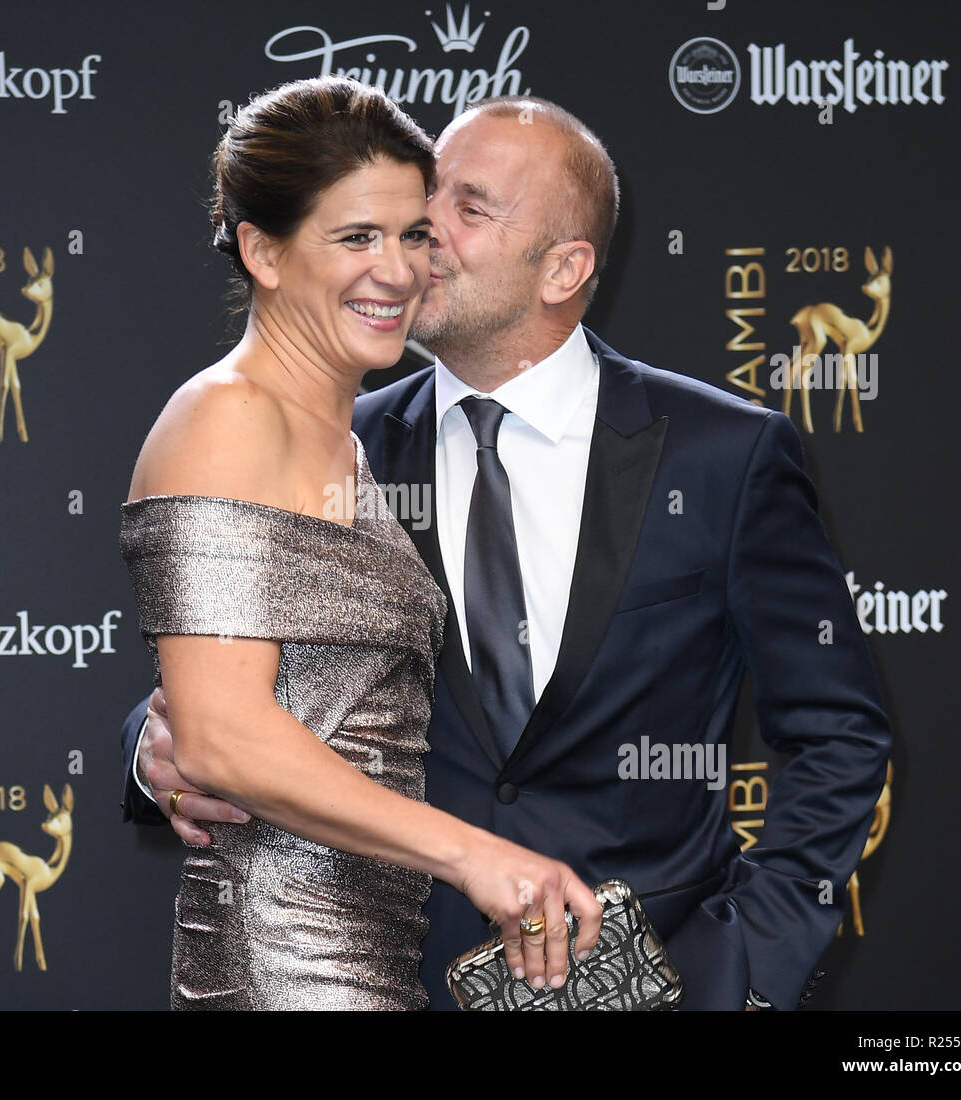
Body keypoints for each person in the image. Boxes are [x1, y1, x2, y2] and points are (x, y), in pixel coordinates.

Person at [124, 94, 893, 1011]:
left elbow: (841, 737)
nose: (420, 241)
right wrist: (155, 748)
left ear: (564, 267)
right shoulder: (339, 441)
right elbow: (243, 675)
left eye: (466, 209)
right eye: (416, 209)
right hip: (380, 970)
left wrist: (744, 966)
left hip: (650, 980)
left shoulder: (723, 453)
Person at [118, 77, 604, 1011]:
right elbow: (219, 737)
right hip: (285, 962)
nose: (399, 270)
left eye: (413, 235)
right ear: (261, 249)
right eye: (355, 238)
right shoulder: (225, 420)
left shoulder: (352, 437)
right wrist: (475, 852)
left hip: (381, 954)